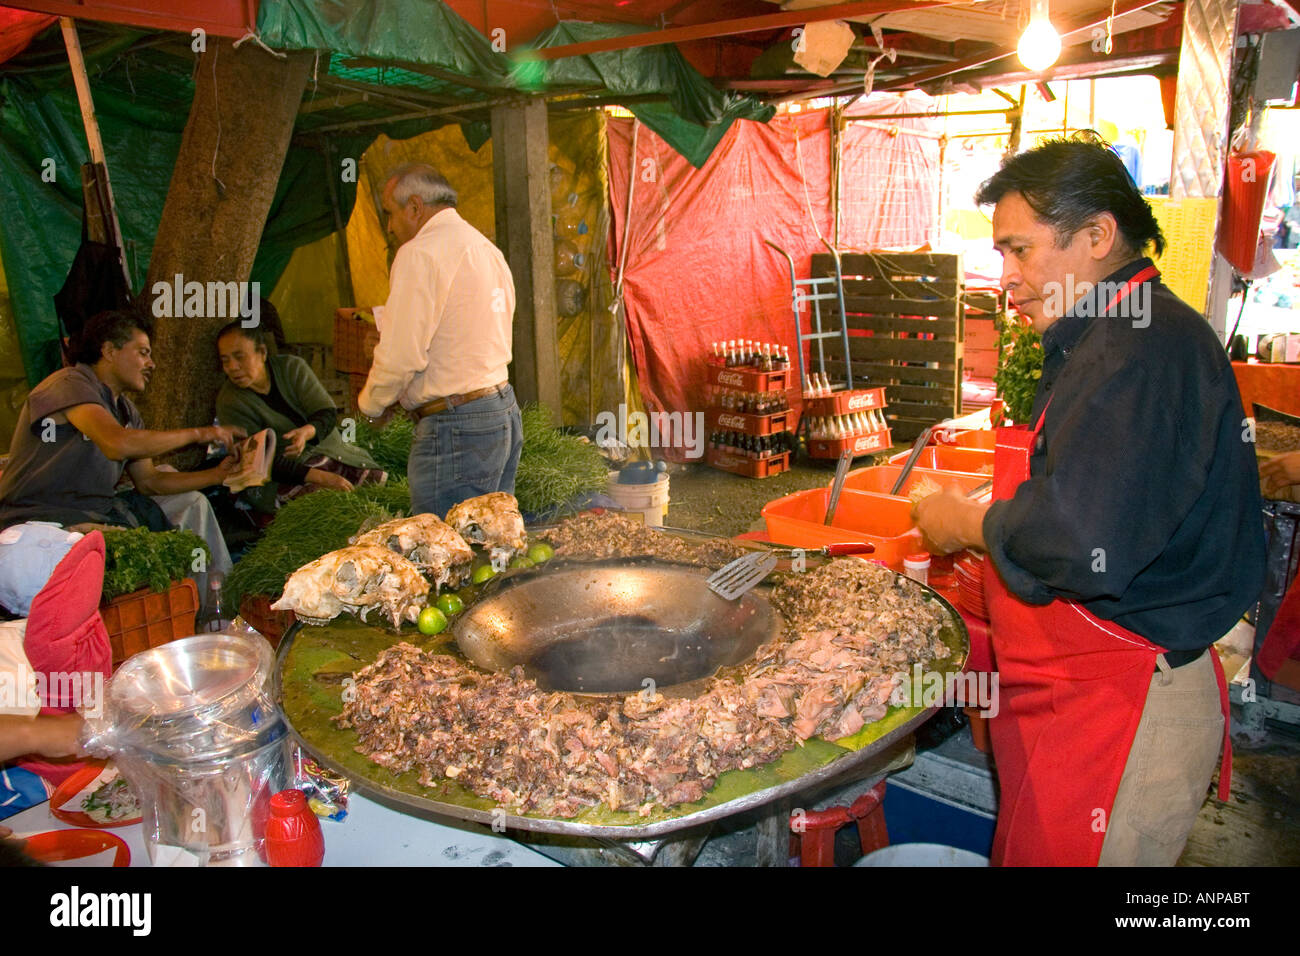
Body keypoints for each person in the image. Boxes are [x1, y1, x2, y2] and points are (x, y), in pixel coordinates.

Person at [913, 136, 1265, 866]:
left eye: (1020, 250)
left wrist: (967, 523)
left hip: (1130, 705)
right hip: (1087, 693)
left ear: (1100, 235)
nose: (1006, 276)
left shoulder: (1142, 348)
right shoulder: (1105, 336)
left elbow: (1080, 539)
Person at [0, 309, 240, 583]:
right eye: (142, 352)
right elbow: (116, 443)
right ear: (109, 351)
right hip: (39, 521)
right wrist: (200, 433)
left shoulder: (125, 410)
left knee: (191, 502)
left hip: (95, 513)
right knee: (139, 554)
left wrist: (218, 476)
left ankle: (215, 608)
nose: (151, 364)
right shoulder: (69, 383)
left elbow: (150, 481)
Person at [357, 163, 522, 517]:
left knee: (442, 549)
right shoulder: (485, 248)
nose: (389, 226)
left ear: (414, 207)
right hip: (501, 412)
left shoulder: (419, 252)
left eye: (390, 214)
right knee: (490, 544)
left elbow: (401, 355)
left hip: (457, 425)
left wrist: (371, 408)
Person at [215, 322, 384, 509]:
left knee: (375, 485)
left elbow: (326, 413)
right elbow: (257, 459)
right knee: (328, 501)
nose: (232, 367)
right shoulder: (230, 402)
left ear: (262, 352)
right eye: (225, 360)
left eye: (239, 357)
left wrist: (307, 432)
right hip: (278, 474)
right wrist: (320, 476)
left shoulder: (292, 368)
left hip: (325, 449)